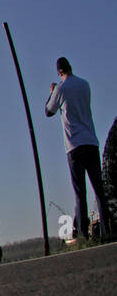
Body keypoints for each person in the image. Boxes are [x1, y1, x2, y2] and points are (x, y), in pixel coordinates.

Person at [46, 57, 109, 240]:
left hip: (74, 145)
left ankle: (82, 233)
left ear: (59, 72)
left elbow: (48, 111)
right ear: (70, 68)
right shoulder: (85, 85)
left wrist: (52, 92)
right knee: (99, 189)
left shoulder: (60, 89)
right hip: (91, 140)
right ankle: (106, 229)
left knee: (80, 192)